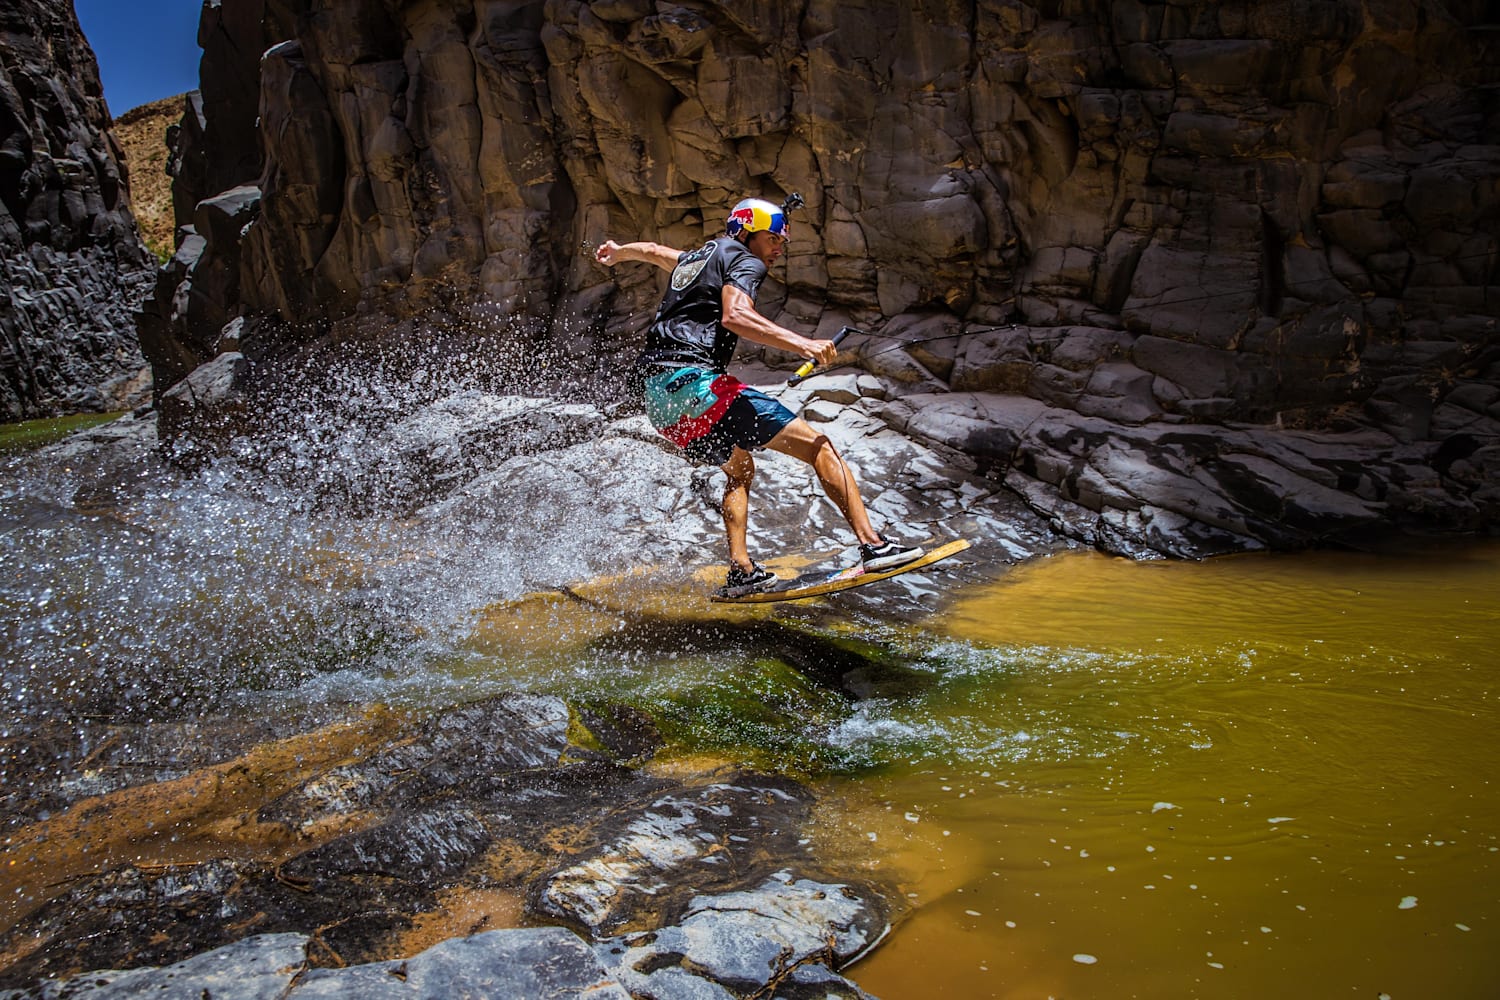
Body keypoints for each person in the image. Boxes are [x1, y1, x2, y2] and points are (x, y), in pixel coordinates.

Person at [594, 196, 923, 596]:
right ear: (748, 234)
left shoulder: (698, 257)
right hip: (698, 386)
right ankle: (874, 546)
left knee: (739, 469)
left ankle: (741, 572)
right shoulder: (745, 262)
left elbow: (653, 251)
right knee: (821, 447)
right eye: (774, 238)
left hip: (659, 403)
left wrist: (617, 252)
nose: (779, 247)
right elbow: (736, 316)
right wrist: (804, 344)